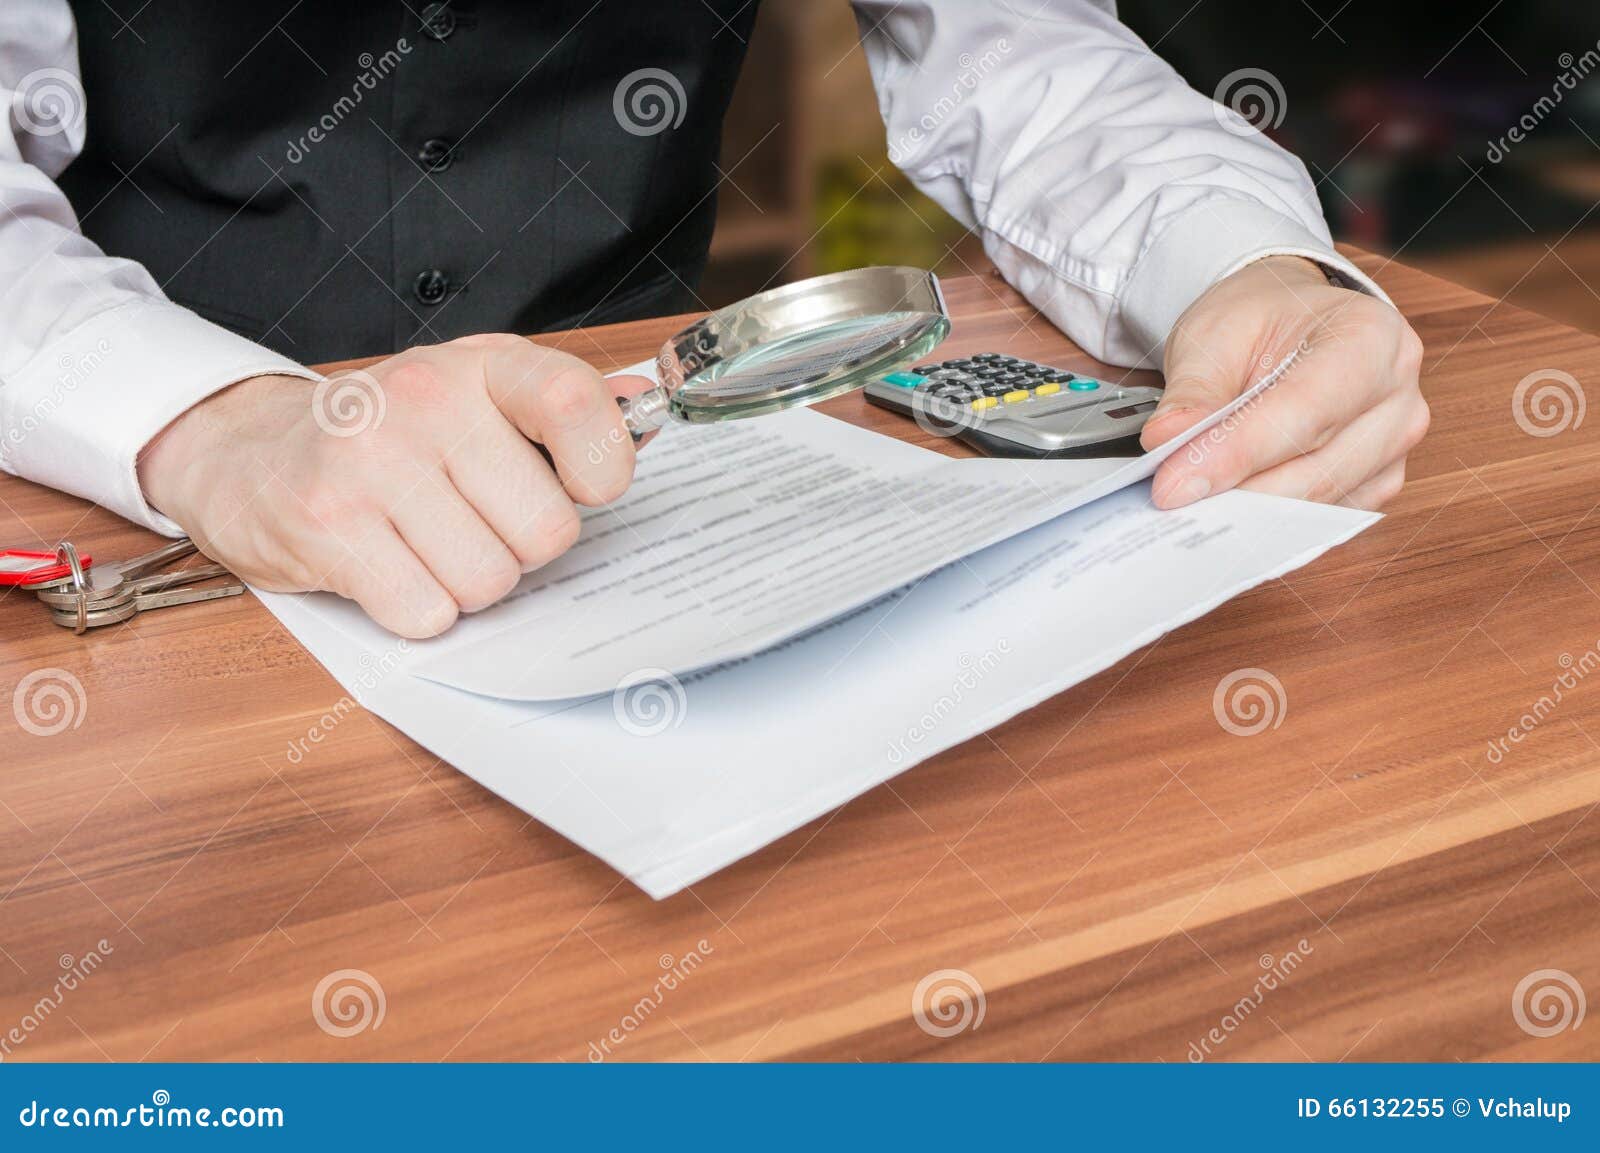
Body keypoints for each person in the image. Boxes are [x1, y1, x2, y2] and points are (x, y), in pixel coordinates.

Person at [1, 1, 1427, 638]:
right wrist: (213, 429)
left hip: (624, 501)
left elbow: (1032, 51)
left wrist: (1245, 270)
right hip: (132, 509)